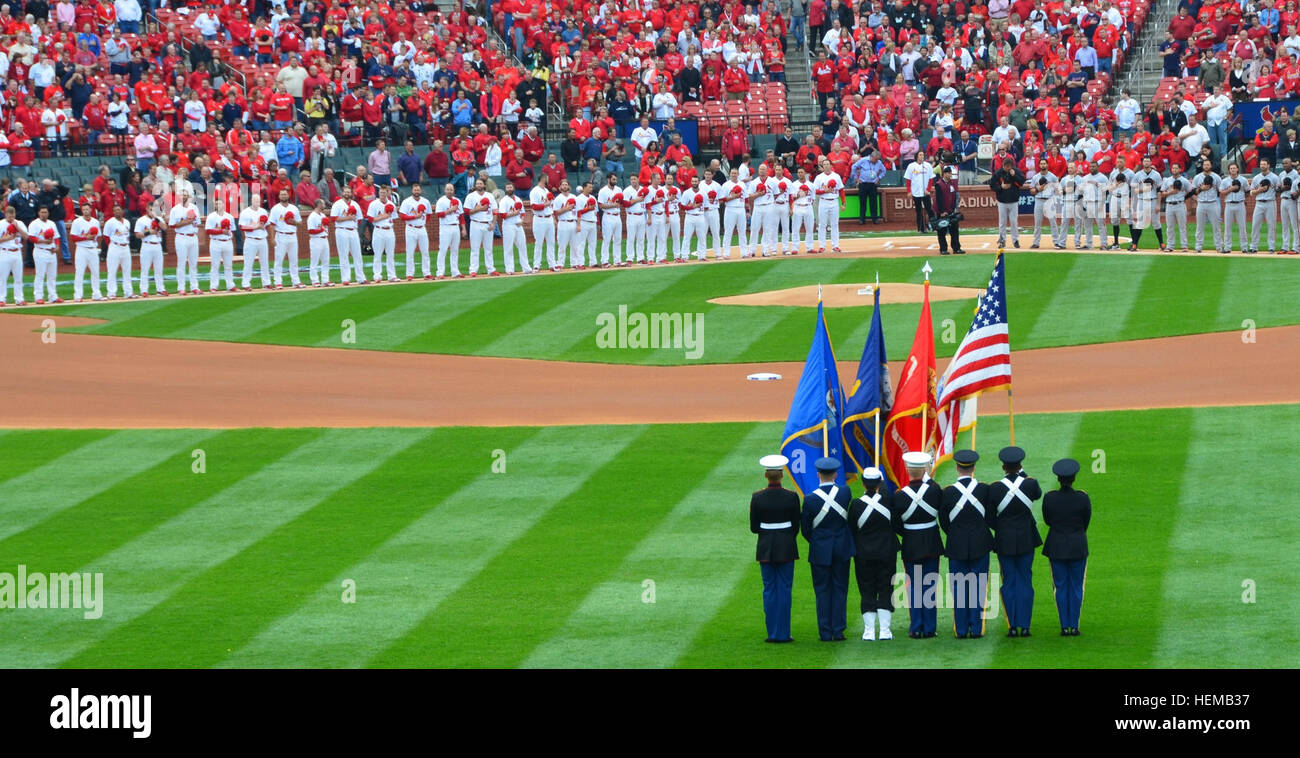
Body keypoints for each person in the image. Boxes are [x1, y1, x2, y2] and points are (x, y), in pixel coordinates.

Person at [988, 446, 1043, 638]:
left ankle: (1012, 625)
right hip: (1027, 538)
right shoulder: (1030, 484)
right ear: (1020, 465)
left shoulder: (994, 488)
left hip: (1005, 541)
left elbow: (990, 517)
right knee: (1025, 580)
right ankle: (1025, 626)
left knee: (1009, 581)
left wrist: (1002, 529)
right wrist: (1022, 474)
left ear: (1003, 467)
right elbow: (1037, 493)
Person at [800, 456, 854, 641]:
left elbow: (806, 530)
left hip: (820, 549)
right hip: (842, 548)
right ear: (836, 474)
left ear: (818, 475)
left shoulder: (809, 499)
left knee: (822, 590)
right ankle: (838, 630)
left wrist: (818, 542)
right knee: (840, 589)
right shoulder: (845, 492)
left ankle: (824, 631)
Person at [940, 450, 992, 639]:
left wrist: (955, 534)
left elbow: (944, 521)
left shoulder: (947, 492)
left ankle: (961, 629)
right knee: (979, 587)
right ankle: (976, 629)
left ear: (957, 467)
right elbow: (990, 517)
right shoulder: (984, 489)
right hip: (980, 543)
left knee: (959, 588)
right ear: (974, 468)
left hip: (956, 545)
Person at [891, 451, 943, 638]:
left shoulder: (898, 496)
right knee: (929, 585)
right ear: (924, 470)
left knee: (913, 586)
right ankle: (929, 627)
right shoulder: (935, 490)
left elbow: (895, 523)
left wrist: (909, 533)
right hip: (931, 541)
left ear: (906, 470)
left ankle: (917, 626)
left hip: (911, 543)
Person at [750, 454, 801, 644]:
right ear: (781, 475)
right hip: (786, 547)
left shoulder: (757, 497)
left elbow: (754, 527)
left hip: (765, 549)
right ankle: (783, 633)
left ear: (766, 475)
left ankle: (772, 633)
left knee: (769, 590)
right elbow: (796, 525)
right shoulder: (791, 496)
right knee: (785, 590)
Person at [1042, 458, 1090, 636]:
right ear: (1074, 478)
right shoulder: (1082, 498)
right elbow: (1086, 521)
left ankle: (1064, 626)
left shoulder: (1050, 498)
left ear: (1058, 479)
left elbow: (1048, 520)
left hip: (1057, 546)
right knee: (1077, 586)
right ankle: (1074, 626)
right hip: (1077, 545)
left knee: (1060, 586)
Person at [848, 466, 897, 641]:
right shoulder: (889, 500)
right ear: (879, 483)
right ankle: (885, 630)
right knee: (886, 588)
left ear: (863, 483)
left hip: (863, 554)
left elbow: (852, 530)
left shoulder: (855, 505)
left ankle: (869, 631)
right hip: (886, 552)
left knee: (866, 590)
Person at [68, 202, 105, 302]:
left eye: (87, 209)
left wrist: (97, 246)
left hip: (92, 249)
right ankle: (78, 295)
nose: (85, 211)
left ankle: (97, 294)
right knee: (79, 272)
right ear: (81, 210)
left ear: (91, 210)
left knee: (95, 272)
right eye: (84, 209)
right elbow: (73, 237)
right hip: (81, 249)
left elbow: (99, 236)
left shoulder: (95, 222)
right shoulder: (77, 222)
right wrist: (85, 237)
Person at [269, 189, 305, 289]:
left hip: (293, 235)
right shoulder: (275, 209)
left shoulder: (294, 208)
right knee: (279, 260)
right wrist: (272, 239)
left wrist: (293, 222)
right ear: (279, 196)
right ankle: (278, 282)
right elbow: (272, 225)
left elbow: (300, 223)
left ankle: (296, 281)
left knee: (294, 260)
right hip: (281, 235)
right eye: (282, 194)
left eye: (285, 194)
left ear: (288, 196)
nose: (283, 196)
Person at [330, 187, 366, 285]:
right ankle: (345, 278)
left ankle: (361, 278)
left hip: (353, 230)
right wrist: (347, 218)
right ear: (342, 193)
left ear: (351, 193)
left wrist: (353, 224)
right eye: (345, 192)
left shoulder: (355, 204)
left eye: (348, 192)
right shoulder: (337, 204)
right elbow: (334, 218)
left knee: (358, 255)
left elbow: (359, 219)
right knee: (344, 255)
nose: (347, 193)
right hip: (342, 230)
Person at [169, 191, 202, 295]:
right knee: (181, 263)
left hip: (193, 237)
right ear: (179, 196)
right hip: (181, 237)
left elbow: (198, 223)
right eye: (182, 194)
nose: (184, 196)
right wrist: (187, 221)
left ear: (188, 196)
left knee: (193, 264)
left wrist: (193, 220)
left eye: (185, 195)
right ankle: (181, 288)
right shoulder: (175, 209)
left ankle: (194, 287)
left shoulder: (194, 207)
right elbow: (172, 225)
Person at [27, 206, 62, 304]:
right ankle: (38, 297)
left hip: (51, 252)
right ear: (39, 213)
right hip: (40, 250)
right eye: (42, 212)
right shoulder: (34, 224)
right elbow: (31, 238)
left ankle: (53, 296)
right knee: (40, 275)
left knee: (52, 275)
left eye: (45, 212)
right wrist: (44, 241)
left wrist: (57, 247)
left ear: (48, 213)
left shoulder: (52, 223)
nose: (44, 214)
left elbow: (56, 237)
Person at [399, 184, 433, 280]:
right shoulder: (407, 202)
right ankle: (410, 274)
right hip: (410, 228)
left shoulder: (425, 201)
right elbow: (402, 216)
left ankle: (427, 273)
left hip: (422, 228)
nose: (416, 191)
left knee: (425, 251)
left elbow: (429, 214)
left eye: (418, 190)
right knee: (410, 252)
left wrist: (423, 222)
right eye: (415, 190)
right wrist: (414, 217)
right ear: (412, 190)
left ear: (421, 191)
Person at [239, 194, 272, 291]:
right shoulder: (245, 212)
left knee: (265, 262)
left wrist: (261, 226)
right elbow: (242, 227)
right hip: (251, 240)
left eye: (258, 200)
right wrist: (256, 227)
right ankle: (246, 283)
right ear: (251, 201)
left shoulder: (263, 211)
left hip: (262, 239)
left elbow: (267, 224)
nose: (257, 202)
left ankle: (266, 283)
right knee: (248, 262)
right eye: (255, 200)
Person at [498, 182, 531, 275]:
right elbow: (502, 215)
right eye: (507, 187)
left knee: (522, 247)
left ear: (513, 188)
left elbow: (523, 212)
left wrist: (522, 220)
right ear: (505, 189)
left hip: (518, 225)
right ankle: (509, 269)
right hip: (508, 225)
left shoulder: (518, 199)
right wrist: (514, 213)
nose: (509, 189)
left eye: (510, 187)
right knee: (508, 248)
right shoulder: (504, 200)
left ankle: (526, 268)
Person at [367, 185, 399, 282]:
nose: (382, 194)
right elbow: (371, 219)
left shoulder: (391, 204)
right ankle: (377, 275)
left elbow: (394, 218)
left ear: (387, 193)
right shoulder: (373, 204)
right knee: (378, 254)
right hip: (378, 230)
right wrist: (383, 217)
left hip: (389, 230)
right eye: (380, 192)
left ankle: (392, 275)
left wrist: (387, 219)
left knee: (390, 254)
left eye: (384, 192)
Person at [204, 201, 237, 293]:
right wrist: (221, 232)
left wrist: (228, 235)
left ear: (224, 205)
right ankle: (213, 286)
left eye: (220, 203)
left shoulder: (229, 217)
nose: (218, 205)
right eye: (216, 204)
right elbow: (208, 231)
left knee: (229, 265)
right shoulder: (211, 216)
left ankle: (230, 285)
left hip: (227, 242)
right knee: (215, 265)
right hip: (215, 242)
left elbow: (233, 230)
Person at [990, 162, 1024, 248]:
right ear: (1003, 166)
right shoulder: (998, 173)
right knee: (1002, 222)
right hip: (1002, 201)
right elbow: (992, 186)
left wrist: (1014, 176)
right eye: (1006, 167)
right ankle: (1002, 241)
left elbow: (1022, 182)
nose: (1008, 169)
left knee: (1014, 222)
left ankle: (1015, 240)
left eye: (1010, 167)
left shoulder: (1016, 171)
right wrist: (1001, 187)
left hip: (1013, 201)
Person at [135, 203, 166, 296]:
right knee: (145, 269)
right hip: (146, 245)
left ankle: (160, 289)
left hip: (157, 245)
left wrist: (156, 218)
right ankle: (144, 290)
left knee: (159, 269)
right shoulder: (141, 220)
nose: (152, 211)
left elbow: (165, 228)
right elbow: (137, 234)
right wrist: (149, 232)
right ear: (147, 209)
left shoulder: (159, 219)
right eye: (151, 209)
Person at [434, 183, 464, 279]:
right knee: (443, 249)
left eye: (451, 189)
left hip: (455, 226)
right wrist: (450, 210)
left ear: (453, 190)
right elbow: (438, 214)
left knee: (455, 250)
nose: (450, 191)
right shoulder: (441, 201)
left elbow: (461, 215)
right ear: (445, 190)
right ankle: (440, 272)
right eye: (448, 189)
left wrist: (463, 228)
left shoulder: (457, 201)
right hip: (445, 227)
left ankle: (455, 271)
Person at [1193, 160, 1223, 254]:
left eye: (1208, 165)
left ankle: (1219, 247)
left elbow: (1220, 190)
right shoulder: (1197, 177)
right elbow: (1193, 191)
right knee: (1199, 226)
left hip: (1212, 203)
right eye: (1204, 165)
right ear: (1202, 166)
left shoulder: (1216, 177)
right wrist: (1200, 191)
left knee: (1216, 226)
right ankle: (1198, 247)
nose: (1206, 166)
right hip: (1201, 203)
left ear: (1211, 165)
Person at [1250, 159, 1279, 253]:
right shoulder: (1256, 178)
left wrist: (1273, 190)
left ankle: (1271, 247)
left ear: (1268, 165)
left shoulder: (1274, 177)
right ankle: (1253, 247)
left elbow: (1278, 191)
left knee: (1271, 225)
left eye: (1264, 164)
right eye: (1261, 164)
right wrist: (1259, 190)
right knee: (1255, 225)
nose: (1262, 166)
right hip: (1259, 203)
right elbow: (1251, 192)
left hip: (1270, 202)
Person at [813, 161, 843, 253]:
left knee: (834, 224)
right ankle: (822, 246)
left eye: (827, 164)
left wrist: (844, 203)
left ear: (830, 165)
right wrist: (824, 192)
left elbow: (841, 190)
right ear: (822, 166)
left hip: (834, 201)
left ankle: (835, 245)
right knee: (822, 224)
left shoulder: (836, 176)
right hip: (823, 201)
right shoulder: (819, 177)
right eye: (824, 164)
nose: (826, 166)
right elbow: (815, 191)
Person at [1160, 164, 1192, 253]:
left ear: (1180, 169)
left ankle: (1184, 246)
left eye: (1176, 168)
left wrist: (1182, 197)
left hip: (1180, 204)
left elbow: (1190, 191)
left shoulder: (1184, 181)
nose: (1174, 170)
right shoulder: (1167, 180)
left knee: (1182, 226)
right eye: (1173, 168)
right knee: (1170, 227)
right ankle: (1170, 246)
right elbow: (1162, 193)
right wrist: (1171, 192)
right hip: (1169, 205)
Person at [932, 165, 962, 255]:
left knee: (954, 230)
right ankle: (943, 249)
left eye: (951, 173)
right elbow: (939, 199)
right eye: (949, 173)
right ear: (944, 174)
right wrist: (941, 212)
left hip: (950, 210)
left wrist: (953, 209)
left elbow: (953, 198)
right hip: (941, 211)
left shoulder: (951, 183)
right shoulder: (938, 184)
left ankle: (956, 248)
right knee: (942, 231)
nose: (950, 175)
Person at [530, 175, 557, 272]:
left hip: (549, 217)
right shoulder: (535, 191)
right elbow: (534, 206)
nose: (548, 180)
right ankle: (536, 265)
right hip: (539, 218)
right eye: (547, 178)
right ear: (543, 179)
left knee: (551, 242)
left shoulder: (547, 191)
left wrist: (553, 218)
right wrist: (545, 204)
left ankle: (552, 264)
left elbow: (551, 207)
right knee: (539, 242)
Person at [719, 167, 748, 259]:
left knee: (742, 231)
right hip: (730, 209)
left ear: (738, 174)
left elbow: (746, 198)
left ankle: (744, 252)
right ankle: (726, 253)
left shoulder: (742, 184)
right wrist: (733, 197)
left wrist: (747, 210)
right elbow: (722, 199)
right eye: (732, 173)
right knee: (728, 231)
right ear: (730, 174)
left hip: (741, 208)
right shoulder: (726, 185)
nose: (734, 175)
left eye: (735, 173)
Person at [0, 207, 26, 306]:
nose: (11, 216)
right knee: (2, 277)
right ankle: (1, 299)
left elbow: (26, 237)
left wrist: (17, 227)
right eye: (9, 214)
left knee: (18, 277)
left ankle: (19, 299)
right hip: (4, 252)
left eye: (13, 214)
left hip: (17, 252)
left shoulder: (19, 223)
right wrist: (8, 238)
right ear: (5, 214)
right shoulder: (1, 224)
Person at [597, 173, 624, 267]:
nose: (615, 181)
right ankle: (604, 261)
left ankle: (617, 261)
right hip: (608, 216)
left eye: (615, 179)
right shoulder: (603, 191)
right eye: (613, 179)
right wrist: (612, 205)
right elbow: (600, 205)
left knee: (618, 239)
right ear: (608, 179)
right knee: (607, 239)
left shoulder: (619, 189)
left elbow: (621, 201)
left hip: (617, 216)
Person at [1220, 164, 1248, 254]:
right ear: (1229, 170)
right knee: (1227, 227)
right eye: (1231, 168)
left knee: (1242, 227)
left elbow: (1247, 191)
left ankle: (1244, 247)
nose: (1232, 170)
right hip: (1229, 204)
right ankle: (1227, 247)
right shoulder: (1225, 181)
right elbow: (1222, 192)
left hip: (1240, 204)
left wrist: (1243, 199)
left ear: (1237, 169)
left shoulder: (1243, 180)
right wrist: (1230, 189)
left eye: (1234, 168)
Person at [305, 199, 333, 287]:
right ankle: (315, 280)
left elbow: (325, 227)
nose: (324, 205)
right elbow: (310, 231)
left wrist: (324, 230)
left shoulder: (323, 215)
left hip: (324, 239)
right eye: (323, 204)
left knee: (326, 261)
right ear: (319, 205)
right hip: (315, 240)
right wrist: (321, 229)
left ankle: (325, 280)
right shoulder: (312, 216)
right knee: (314, 261)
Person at [903, 154, 933, 232]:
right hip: (916, 192)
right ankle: (921, 228)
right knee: (919, 211)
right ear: (916, 156)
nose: (921, 156)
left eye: (923, 155)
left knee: (929, 210)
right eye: (920, 155)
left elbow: (931, 179)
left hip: (925, 192)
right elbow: (908, 180)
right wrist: (909, 191)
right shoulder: (911, 166)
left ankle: (934, 227)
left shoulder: (928, 166)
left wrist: (928, 189)